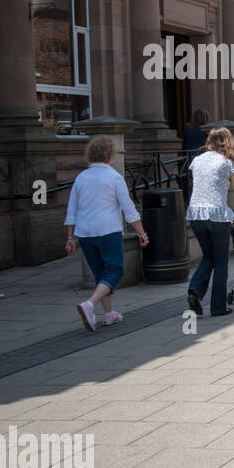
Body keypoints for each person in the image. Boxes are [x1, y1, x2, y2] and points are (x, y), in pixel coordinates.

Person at [64, 135, 149, 331]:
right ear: (110, 156)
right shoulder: (114, 177)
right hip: (108, 231)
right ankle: (90, 304)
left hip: (85, 233)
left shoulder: (81, 178)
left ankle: (109, 314)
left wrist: (70, 237)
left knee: (100, 273)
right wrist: (141, 232)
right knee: (115, 270)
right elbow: (129, 209)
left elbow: (72, 211)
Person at [186, 127, 234, 317]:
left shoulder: (197, 161)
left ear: (209, 141)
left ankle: (195, 290)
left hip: (196, 213)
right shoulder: (229, 163)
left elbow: (200, 187)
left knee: (208, 255)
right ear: (228, 142)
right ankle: (218, 307)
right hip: (217, 214)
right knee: (220, 261)